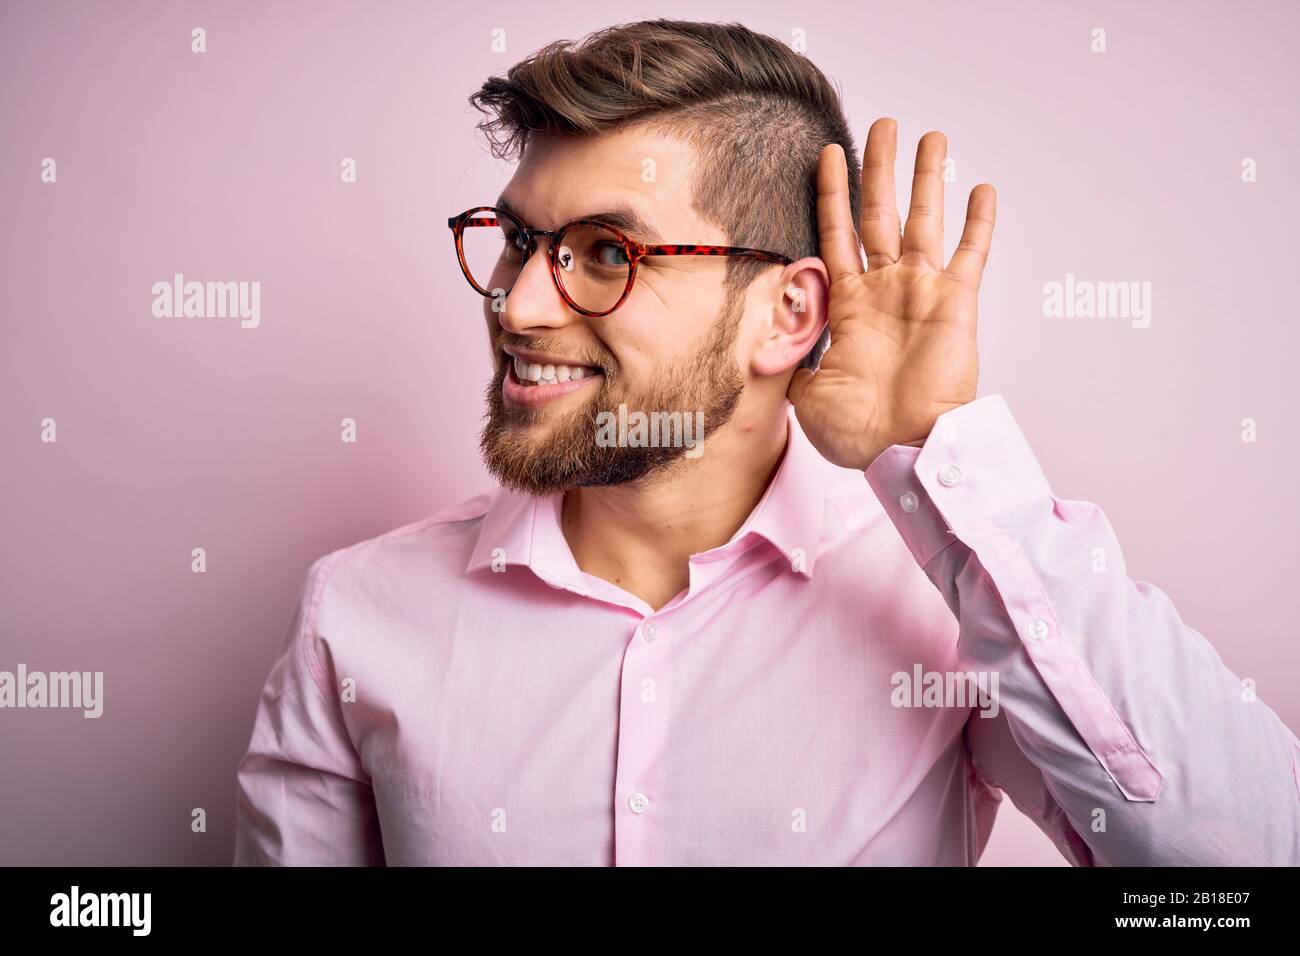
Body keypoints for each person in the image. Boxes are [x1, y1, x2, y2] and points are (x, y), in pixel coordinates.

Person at [233, 18, 1300, 865]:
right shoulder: (357, 616)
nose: (516, 306)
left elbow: (1241, 857)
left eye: (606, 251)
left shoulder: (946, 608)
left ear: (789, 314)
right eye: (518, 241)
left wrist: (939, 453)